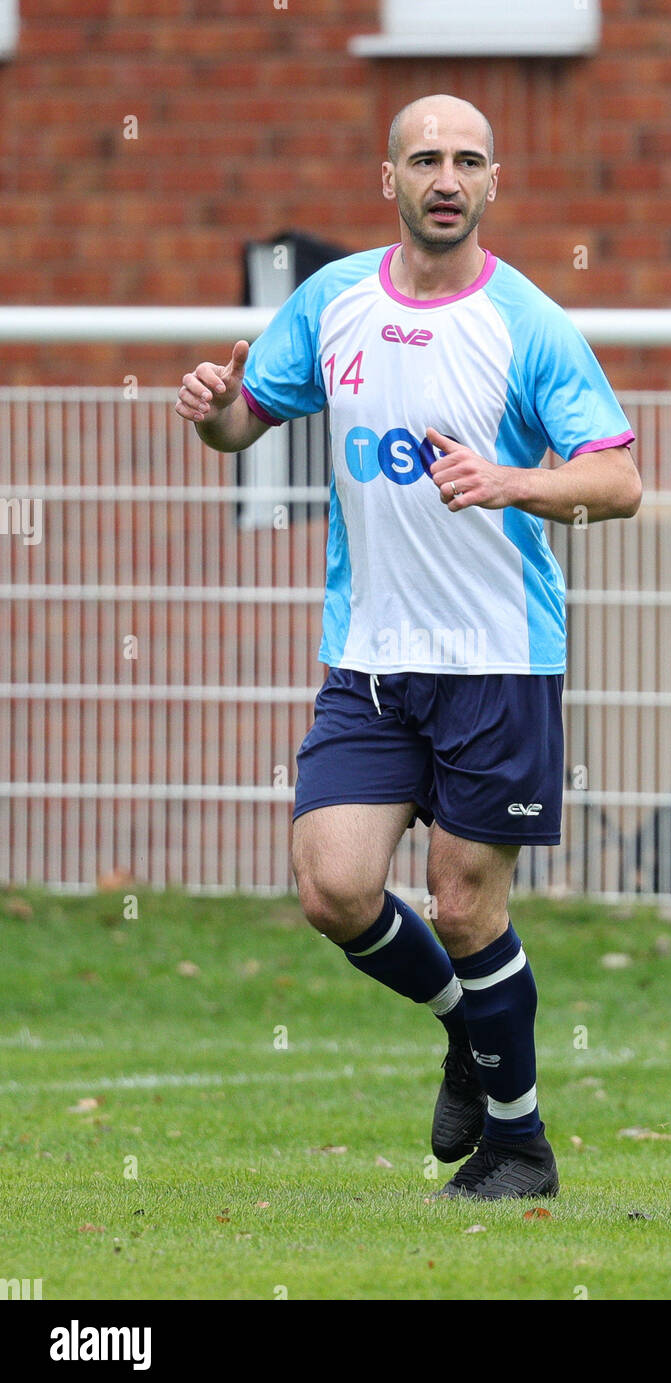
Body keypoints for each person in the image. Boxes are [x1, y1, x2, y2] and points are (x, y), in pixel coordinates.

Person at [175, 93, 641, 1201]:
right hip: (370, 662)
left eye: (467, 160)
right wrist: (212, 413)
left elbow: (618, 479)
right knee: (333, 888)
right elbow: (251, 416)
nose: (446, 176)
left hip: (495, 659)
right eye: (424, 158)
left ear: (491, 184)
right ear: (387, 179)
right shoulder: (331, 301)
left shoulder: (528, 323)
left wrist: (513, 480)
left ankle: (520, 1147)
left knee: (465, 903)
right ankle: (463, 1028)